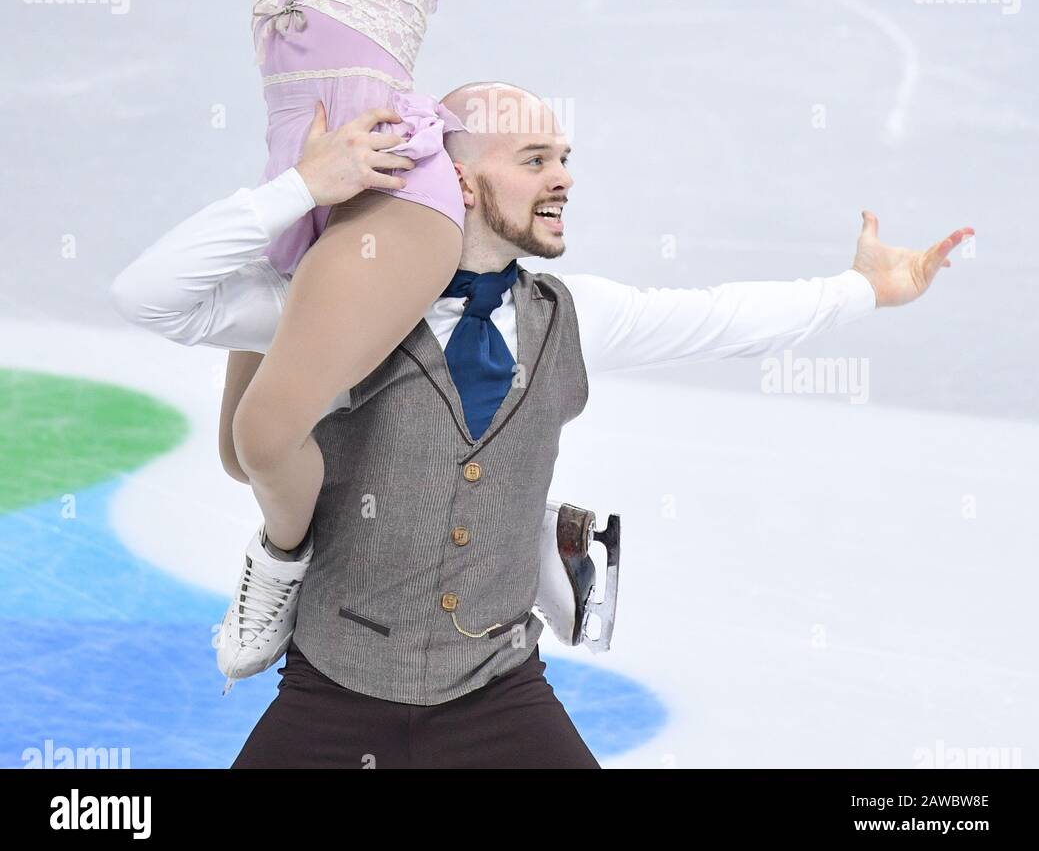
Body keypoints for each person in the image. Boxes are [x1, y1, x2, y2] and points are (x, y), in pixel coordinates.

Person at [183, 0, 921, 625]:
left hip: (388, 180)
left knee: (271, 437)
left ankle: (279, 574)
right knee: (243, 448)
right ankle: (520, 529)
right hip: (293, 176)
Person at [111, 82, 971, 769]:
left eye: (563, 157)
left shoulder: (570, 314)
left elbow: (720, 317)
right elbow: (148, 295)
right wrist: (300, 190)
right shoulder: (336, 311)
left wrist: (863, 290)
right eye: (533, 159)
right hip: (337, 691)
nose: (562, 176)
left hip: (494, 694)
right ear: (458, 181)